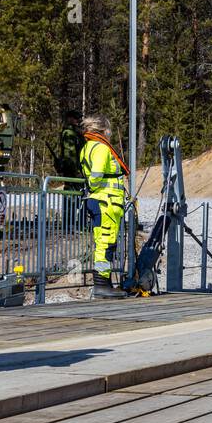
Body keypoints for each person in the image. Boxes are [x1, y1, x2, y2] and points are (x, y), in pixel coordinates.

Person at [78, 115, 129, 299]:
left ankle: (105, 283)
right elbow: (97, 175)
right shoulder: (100, 148)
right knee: (105, 245)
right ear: (102, 130)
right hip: (105, 201)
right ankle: (101, 284)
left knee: (104, 244)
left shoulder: (87, 147)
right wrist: (96, 185)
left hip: (103, 201)